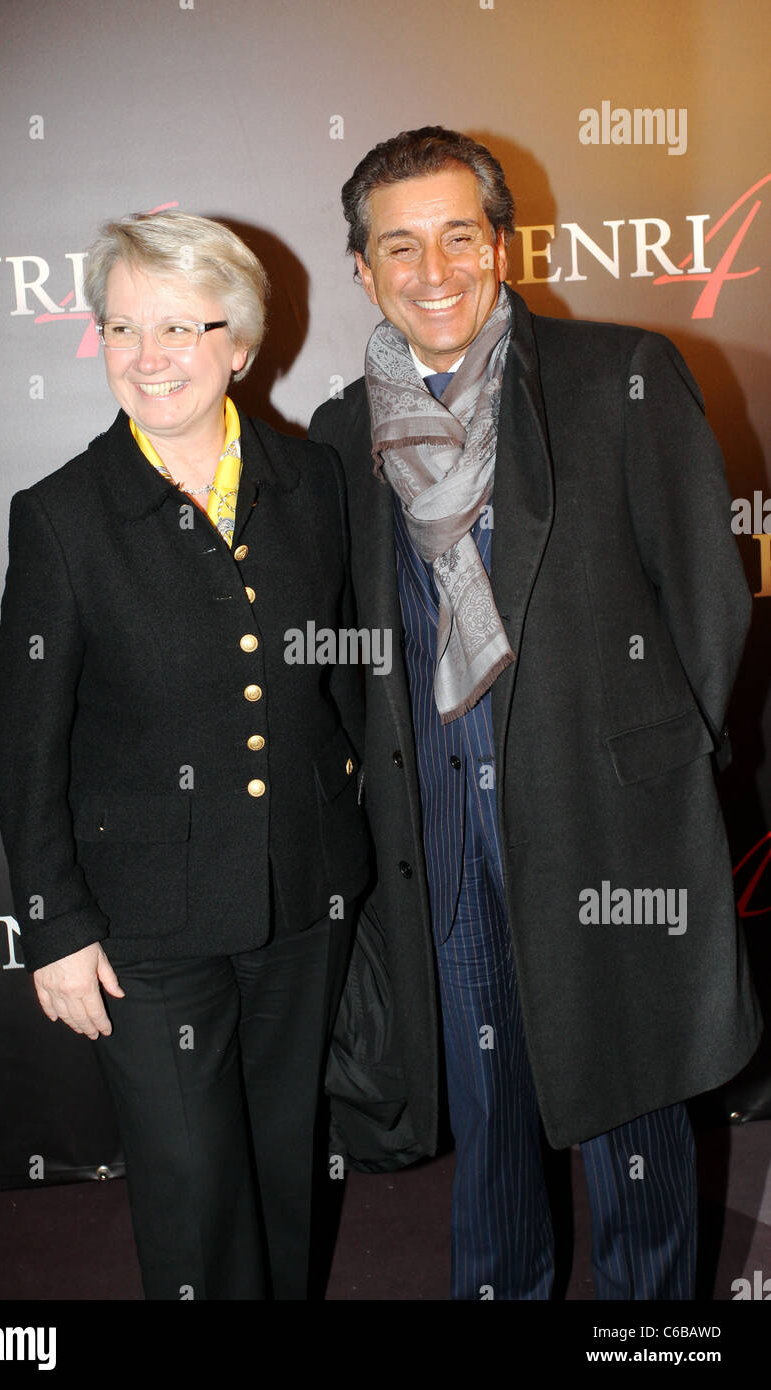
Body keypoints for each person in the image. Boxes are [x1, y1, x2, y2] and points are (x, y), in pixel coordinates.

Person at [310, 126, 762, 1300]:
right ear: (362, 270)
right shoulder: (333, 432)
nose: (433, 270)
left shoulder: (618, 373)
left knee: (630, 1127)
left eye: (458, 235)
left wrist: (644, 766)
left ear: (499, 245)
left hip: (603, 832)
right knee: (491, 1135)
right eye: (397, 246)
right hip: (445, 856)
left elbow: (706, 601)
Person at [0, 210, 370, 1300]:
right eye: (121, 329)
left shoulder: (314, 486)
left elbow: (337, 680)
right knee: (191, 1182)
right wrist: (54, 927)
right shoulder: (62, 517)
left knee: (285, 1165)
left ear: (239, 345)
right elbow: (25, 741)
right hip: (143, 926)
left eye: (179, 327)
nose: (147, 357)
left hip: (300, 897)